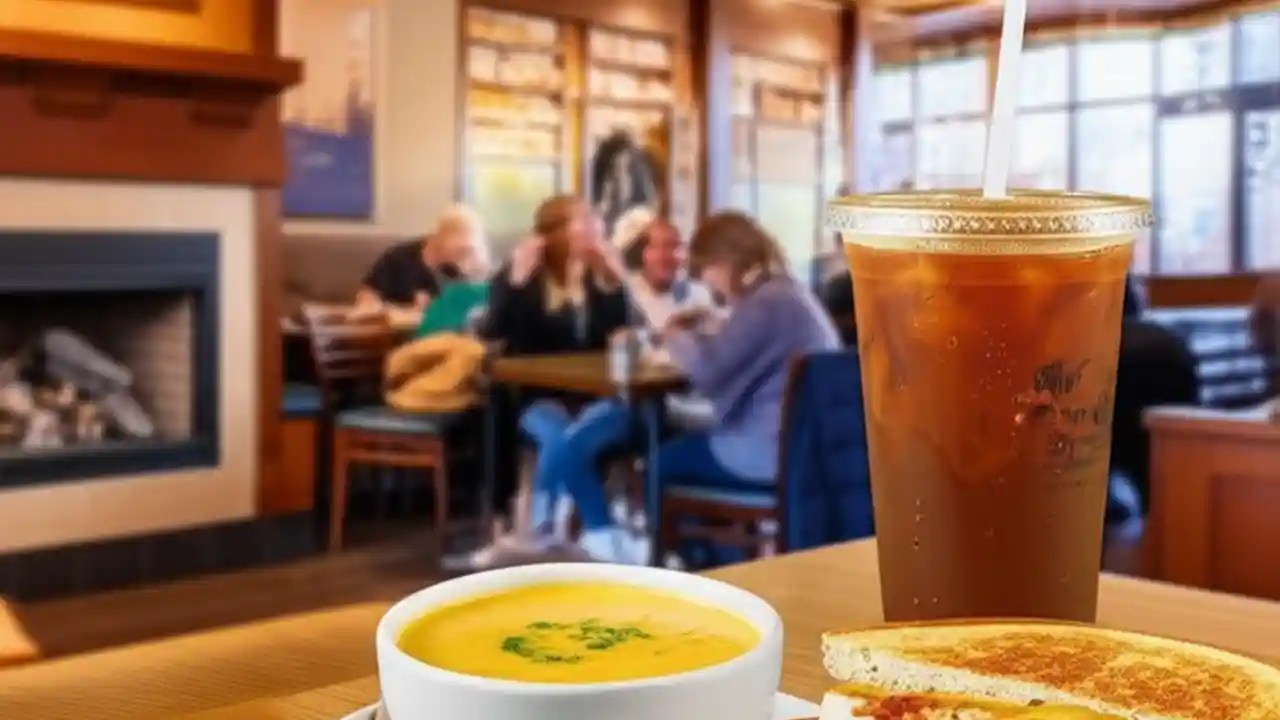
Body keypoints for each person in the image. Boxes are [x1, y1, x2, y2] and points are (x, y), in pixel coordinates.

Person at [554, 211, 841, 563]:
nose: (707, 281)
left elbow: (708, 371)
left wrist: (673, 331)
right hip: (800, 448)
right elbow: (736, 355)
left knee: (660, 464)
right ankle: (717, 557)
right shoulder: (788, 295)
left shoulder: (767, 303)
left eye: (706, 270)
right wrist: (711, 324)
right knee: (675, 438)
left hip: (766, 455)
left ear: (724, 260)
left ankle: (698, 564)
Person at [523, 211, 718, 544]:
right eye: (659, 247)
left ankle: (591, 528)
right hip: (629, 402)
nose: (669, 255)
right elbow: (618, 337)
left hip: (687, 408)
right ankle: (596, 530)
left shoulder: (700, 296)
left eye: (677, 246)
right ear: (642, 253)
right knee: (570, 443)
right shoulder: (628, 292)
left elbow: (706, 346)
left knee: (571, 441)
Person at [480, 195, 630, 515]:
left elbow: (621, 333)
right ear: (558, 232)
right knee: (558, 435)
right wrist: (516, 281)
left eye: (595, 218)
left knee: (589, 433)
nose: (596, 226)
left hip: (592, 395)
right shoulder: (524, 274)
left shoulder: (596, 276)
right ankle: (557, 519)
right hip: (535, 396)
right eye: (585, 219)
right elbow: (492, 331)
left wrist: (613, 281)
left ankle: (558, 520)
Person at [356, 205, 485, 309]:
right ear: (439, 237)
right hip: (399, 329)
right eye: (461, 250)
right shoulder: (398, 258)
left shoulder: (461, 269)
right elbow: (366, 297)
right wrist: (400, 310)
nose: (463, 260)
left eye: (468, 251)